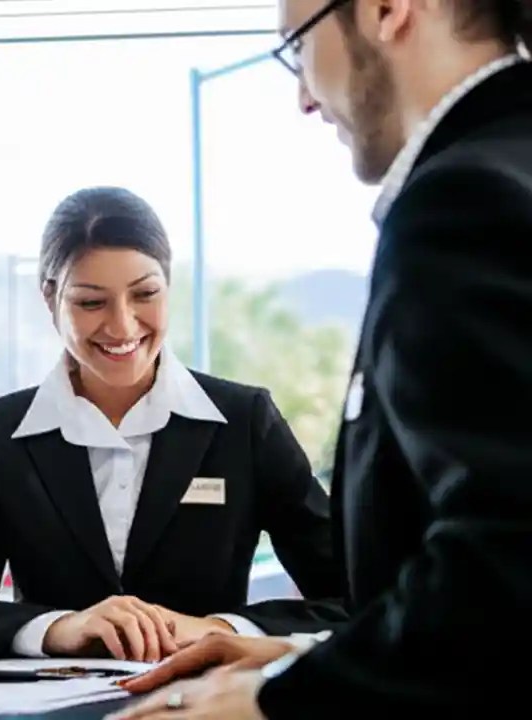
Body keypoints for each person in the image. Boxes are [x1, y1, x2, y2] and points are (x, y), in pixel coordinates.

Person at [113, 1, 532, 717]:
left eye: (299, 48)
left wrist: (277, 703)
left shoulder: (464, 203)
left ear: (386, 9)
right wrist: (310, 653)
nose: (305, 98)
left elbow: (509, 561)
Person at [0, 187, 346, 669]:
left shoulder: (243, 422)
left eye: (145, 294)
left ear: (169, 286)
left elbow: (356, 596)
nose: (122, 326)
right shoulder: (2, 431)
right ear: (50, 297)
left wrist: (218, 629)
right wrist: (59, 629)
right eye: (91, 303)